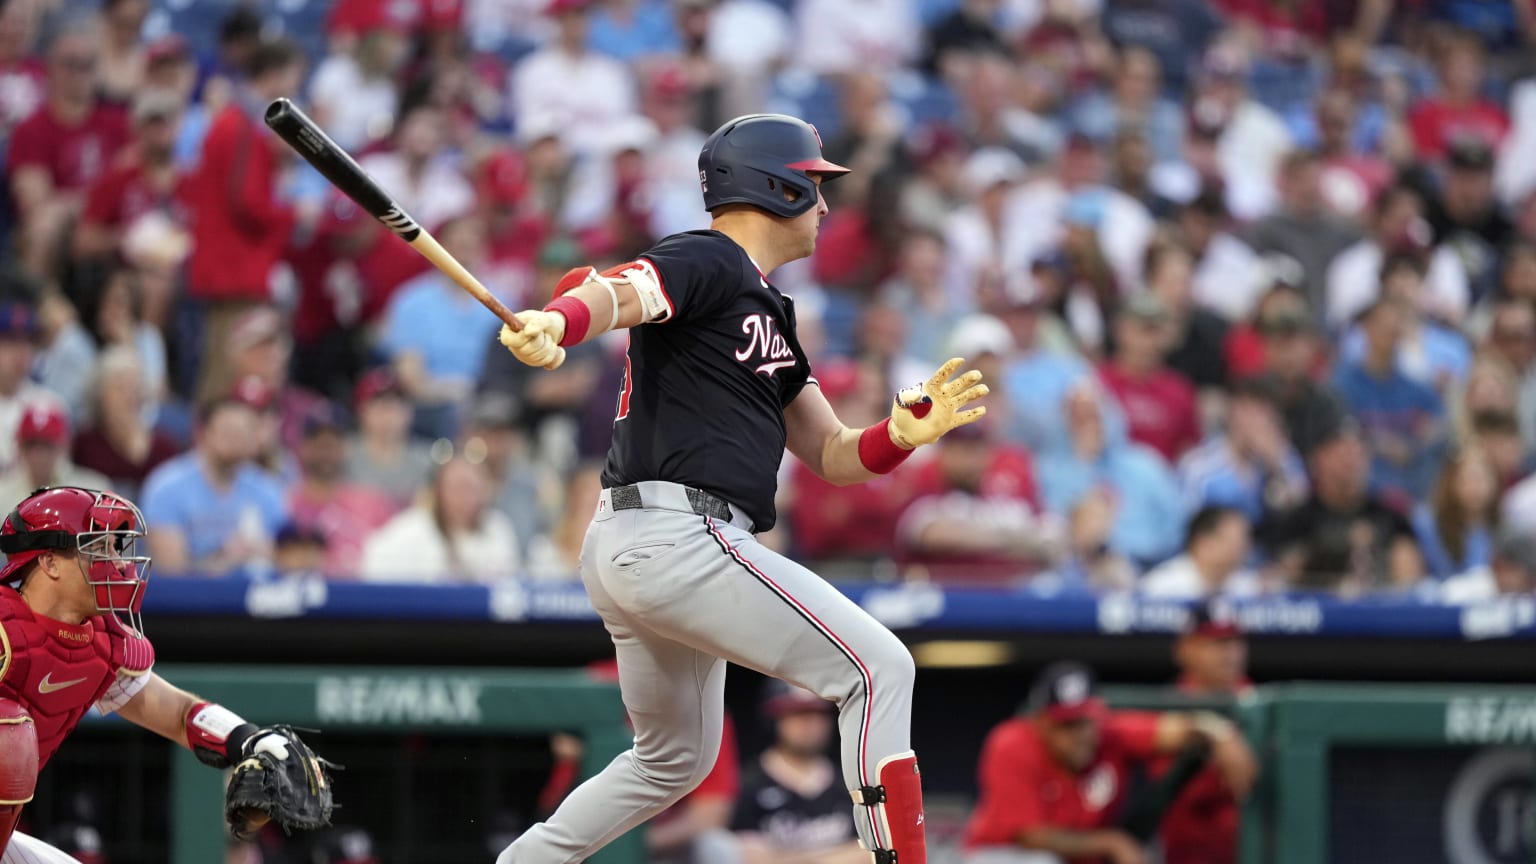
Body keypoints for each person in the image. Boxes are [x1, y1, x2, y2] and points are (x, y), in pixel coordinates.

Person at [492, 113, 989, 864]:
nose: (825, 205)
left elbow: (830, 452)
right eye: (815, 186)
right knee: (880, 668)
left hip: (645, 542)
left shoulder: (770, 313)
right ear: (776, 185)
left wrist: (901, 438)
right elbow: (620, 291)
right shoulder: (709, 257)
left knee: (673, 761)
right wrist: (559, 321)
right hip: (678, 532)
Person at [0, 485, 332, 860]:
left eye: (115, 548)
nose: (117, 562)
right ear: (49, 562)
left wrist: (250, 741)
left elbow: (175, 713)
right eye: (99, 548)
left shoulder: (100, 643)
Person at [962, 661, 1256, 864]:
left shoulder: (1110, 734)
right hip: (1004, 853)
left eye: (1085, 723)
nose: (1079, 735)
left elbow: (1175, 730)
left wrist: (1221, 733)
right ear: (1041, 723)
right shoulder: (1011, 743)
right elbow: (1031, 837)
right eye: (1066, 725)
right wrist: (1111, 842)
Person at [139, 396, 290, 577]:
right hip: (188, 602)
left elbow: (289, 560)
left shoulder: (268, 490)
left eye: (244, 433)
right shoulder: (166, 487)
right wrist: (223, 557)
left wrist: (272, 555)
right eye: (229, 431)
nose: (237, 440)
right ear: (204, 433)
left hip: (260, 599)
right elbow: (171, 572)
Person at [1158, 604, 1252, 864]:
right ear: (1185, 650)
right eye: (1216, 642)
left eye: (1235, 642)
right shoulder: (1166, 709)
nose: (1229, 653)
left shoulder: (1259, 703)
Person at [732, 681, 863, 864]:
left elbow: (870, 851)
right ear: (775, 719)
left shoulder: (851, 780)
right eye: (798, 713)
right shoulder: (747, 783)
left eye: (818, 713)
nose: (810, 724)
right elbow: (753, 859)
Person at [358, 455, 518, 584]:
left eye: (472, 487)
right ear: (438, 491)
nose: (465, 497)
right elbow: (373, 563)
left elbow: (508, 583)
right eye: (457, 488)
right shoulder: (411, 529)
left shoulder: (497, 527)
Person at [0, 401, 109, 511]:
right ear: (19, 447)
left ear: (64, 446)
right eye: (31, 445)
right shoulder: (2, 496)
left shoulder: (94, 491)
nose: (39, 454)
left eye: (47, 445)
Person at [1139, 506, 1258, 599]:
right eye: (1235, 541)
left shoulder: (1248, 587)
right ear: (1203, 544)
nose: (1244, 547)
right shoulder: (1161, 587)